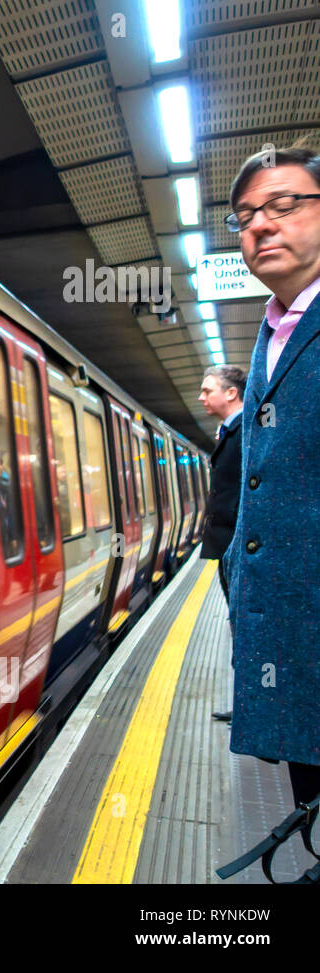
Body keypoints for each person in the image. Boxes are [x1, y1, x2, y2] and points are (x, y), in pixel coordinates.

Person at [222, 145, 320, 811]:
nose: (261, 223)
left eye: (285, 204)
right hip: (287, 644)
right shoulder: (275, 330)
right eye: (247, 214)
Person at [197, 365, 244, 723]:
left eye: (207, 390)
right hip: (228, 543)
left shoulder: (246, 431)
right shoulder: (232, 430)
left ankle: (248, 707)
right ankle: (246, 704)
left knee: (241, 622)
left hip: (236, 544)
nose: (201, 397)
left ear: (231, 393)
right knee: (236, 622)